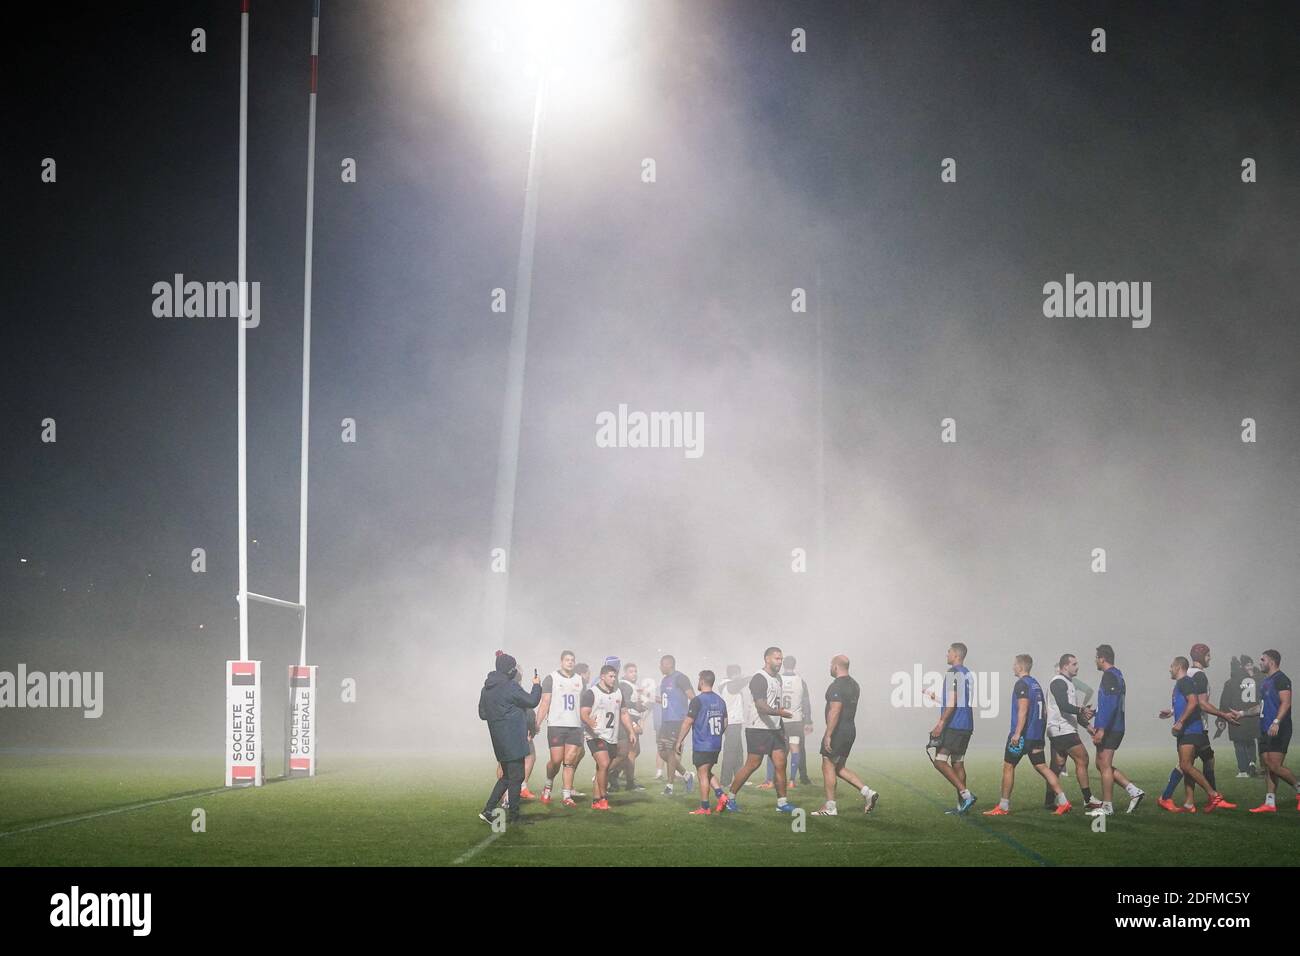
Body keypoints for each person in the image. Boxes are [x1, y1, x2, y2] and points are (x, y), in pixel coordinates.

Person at [985, 655, 1071, 816]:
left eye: (1014, 664)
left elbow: (1023, 710)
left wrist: (1017, 733)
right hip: (1036, 735)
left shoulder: (1022, 684)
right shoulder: (1035, 684)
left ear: (1020, 666)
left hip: (1024, 735)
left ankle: (1003, 806)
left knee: (1008, 766)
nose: (1013, 667)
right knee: (1042, 767)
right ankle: (1064, 801)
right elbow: (1044, 711)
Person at [1157, 644, 1238, 812]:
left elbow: (1190, 701)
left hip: (1191, 727)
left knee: (1189, 764)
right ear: (1201, 656)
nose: (1210, 658)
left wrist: (1176, 715)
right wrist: (1223, 715)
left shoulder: (1187, 677)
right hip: (1196, 726)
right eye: (1208, 655)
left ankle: (1194, 799)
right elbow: (1199, 702)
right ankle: (1201, 799)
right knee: (1190, 764)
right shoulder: (1198, 676)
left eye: (1171, 666)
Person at [719, 646, 796, 814]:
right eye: (777, 658)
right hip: (758, 729)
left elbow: (775, 705)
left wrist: (781, 726)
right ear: (767, 659)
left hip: (775, 729)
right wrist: (779, 713)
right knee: (753, 764)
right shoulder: (759, 678)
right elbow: (761, 706)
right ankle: (730, 798)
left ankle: (782, 803)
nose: (780, 661)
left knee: (780, 763)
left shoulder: (778, 679)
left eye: (781, 658)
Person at [477, 651, 542, 826]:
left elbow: (482, 714)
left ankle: (488, 810)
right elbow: (532, 700)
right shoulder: (510, 686)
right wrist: (537, 685)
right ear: (509, 670)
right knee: (516, 777)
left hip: (498, 739)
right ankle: (514, 817)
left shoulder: (486, 688)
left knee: (506, 777)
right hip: (513, 737)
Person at [811, 655, 878, 816]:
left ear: (835, 666)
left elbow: (835, 710)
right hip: (850, 730)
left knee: (827, 764)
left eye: (830, 665)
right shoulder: (855, 685)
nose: (829, 668)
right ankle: (868, 793)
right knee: (839, 767)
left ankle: (830, 807)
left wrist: (828, 734)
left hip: (838, 731)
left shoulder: (836, 686)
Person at [1085, 644, 1145, 816]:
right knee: (1102, 764)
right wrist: (1095, 712)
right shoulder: (1117, 675)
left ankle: (1107, 807)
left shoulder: (1109, 676)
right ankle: (1134, 791)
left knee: (1104, 765)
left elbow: (1111, 705)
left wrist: (1101, 728)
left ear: (1102, 658)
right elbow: (1111, 703)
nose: (1095, 661)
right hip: (1114, 725)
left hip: (1111, 727)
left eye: (1096, 657)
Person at [1044, 653, 1099, 811]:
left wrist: (1088, 726)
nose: (1077, 666)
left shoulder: (1068, 682)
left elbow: (1071, 711)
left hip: (1060, 729)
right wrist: (1081, 709)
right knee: (1083, 759)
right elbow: (1063, 706)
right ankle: (1088, 798)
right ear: (1065, 666)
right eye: (1074, 664)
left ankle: (1049, 801)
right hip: (1063, 730)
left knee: (1057, 766)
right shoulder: (1058, 682)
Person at [929, 642, 977, 815]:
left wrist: (941, 722)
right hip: (966, 724)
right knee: (957, 763)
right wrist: (936, 697)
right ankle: (961, 806)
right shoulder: (967, 673)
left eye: (948, 652)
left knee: (940, 761)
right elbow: (958, 699)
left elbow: (953, 700)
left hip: (955, 724)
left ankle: (966, 795)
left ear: (956, 655)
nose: (946, 654)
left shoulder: (953, 672)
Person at [580, 665, 637, 810]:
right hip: (595, 736)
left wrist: (631, 731)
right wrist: (589, 721)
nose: (613, 679)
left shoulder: (618, 693)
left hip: (611, 736)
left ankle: (595, 801)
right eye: (610, 676)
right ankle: (604, 799)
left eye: (614, 676)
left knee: (602, 768)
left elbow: (624, 714)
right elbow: (583, 713)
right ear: (602, 677)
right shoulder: (591, 693)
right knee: (604, 764)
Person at [534, 650, 585, 807]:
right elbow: (545, 703)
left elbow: (584, 704)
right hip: (556, 725)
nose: (570, 662)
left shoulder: (580, 680)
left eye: (572, 660)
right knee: (556, 761)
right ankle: (548, 786)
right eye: (567, 660)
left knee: (569, 761)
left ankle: (566, 795)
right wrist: (537, 723)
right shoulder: (552, 678)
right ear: (561, 662)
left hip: (575, 726)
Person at [675, 670, 729, 815]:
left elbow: (687, 722)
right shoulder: (720, 700)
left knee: (702, 775)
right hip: (715, 744)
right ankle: (721, 796)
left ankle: (705, 807)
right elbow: (725, 723)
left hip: (702, 744)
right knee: (706, 771)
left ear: (702, 681)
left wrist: (679, 741)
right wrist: (716, 736)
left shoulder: (697, 700)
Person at [1251, 649, 1297, 813]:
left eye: (1262, 659)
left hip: (1279, 728)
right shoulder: (1266, 681)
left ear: (1271, 662)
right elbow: (1261, 706)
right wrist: (1242, 714)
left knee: (1275, 765)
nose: (1260, 662)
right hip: (1265, 728)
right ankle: (1270, 803)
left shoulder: (1281, 679)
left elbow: (1286, 702)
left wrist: (1276, 722)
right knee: (1268, 766)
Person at [657, 654, 695, 796]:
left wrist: (692, 715)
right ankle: (686, 775)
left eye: (662, 664)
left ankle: (669, 786)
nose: (660, 667)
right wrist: (650, 699)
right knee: (662, 752)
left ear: (669, 664)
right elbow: (667, 700)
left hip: (677, 721)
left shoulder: (681, 678)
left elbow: (692, 696)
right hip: (665, 721)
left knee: (671, 752)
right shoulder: (664, 680)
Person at [1219, 655, 1261, 777]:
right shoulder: (1255, 680)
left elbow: (1225, 701)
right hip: (1252, 716)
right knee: (1250, 740)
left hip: (1235, 715)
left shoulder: (1230, 682)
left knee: (1239, 743)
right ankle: (1252, 762)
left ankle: (1243, 770)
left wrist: (1221, 717)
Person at [717, 664, 747, 788]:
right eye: (738, 673)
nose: (740, 675)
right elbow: (739, 684)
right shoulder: (728, 684)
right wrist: (753, 677)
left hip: (736, 722)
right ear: (734, 674)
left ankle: (739, 779)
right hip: (731, 723)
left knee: (739, 752)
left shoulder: (731, 684)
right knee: (730, 752)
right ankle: (725, 780)